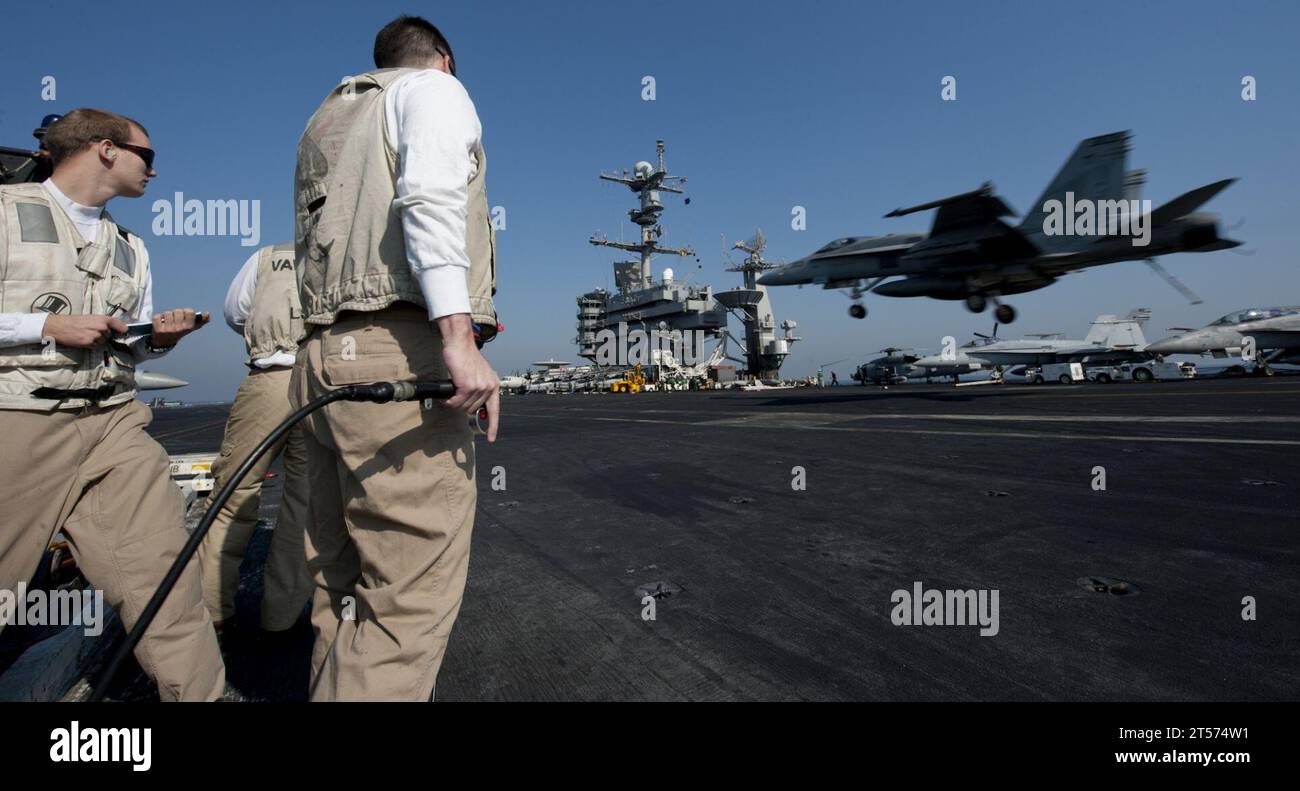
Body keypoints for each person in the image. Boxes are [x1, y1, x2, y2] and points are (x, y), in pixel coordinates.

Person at [291, 15, 500, 700]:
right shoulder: (435, 91)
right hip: (397, 358)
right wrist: (458, 338)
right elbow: (430, 198)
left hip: (320, 359)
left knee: (337, 587)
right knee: (406, 601)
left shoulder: (328, 119)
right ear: (443, 57)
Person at [0, 108, 225, 701]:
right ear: (105, 150)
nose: (153, 171)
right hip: (18, 419)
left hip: (113, 421)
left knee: (164, 580)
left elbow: (128, 347)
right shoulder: (5, 215)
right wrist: (46, 324)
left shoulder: (131, 249)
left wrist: (158, 338)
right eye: (145, 157)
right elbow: (58, 328)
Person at [196, 242, 313, 635]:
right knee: (305, 505)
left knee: (232, 493)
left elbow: (237, 314)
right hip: (322, 380)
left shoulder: (266, 258)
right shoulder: (355, 247)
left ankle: (212, 612)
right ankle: (280, 618)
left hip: (273, 376)